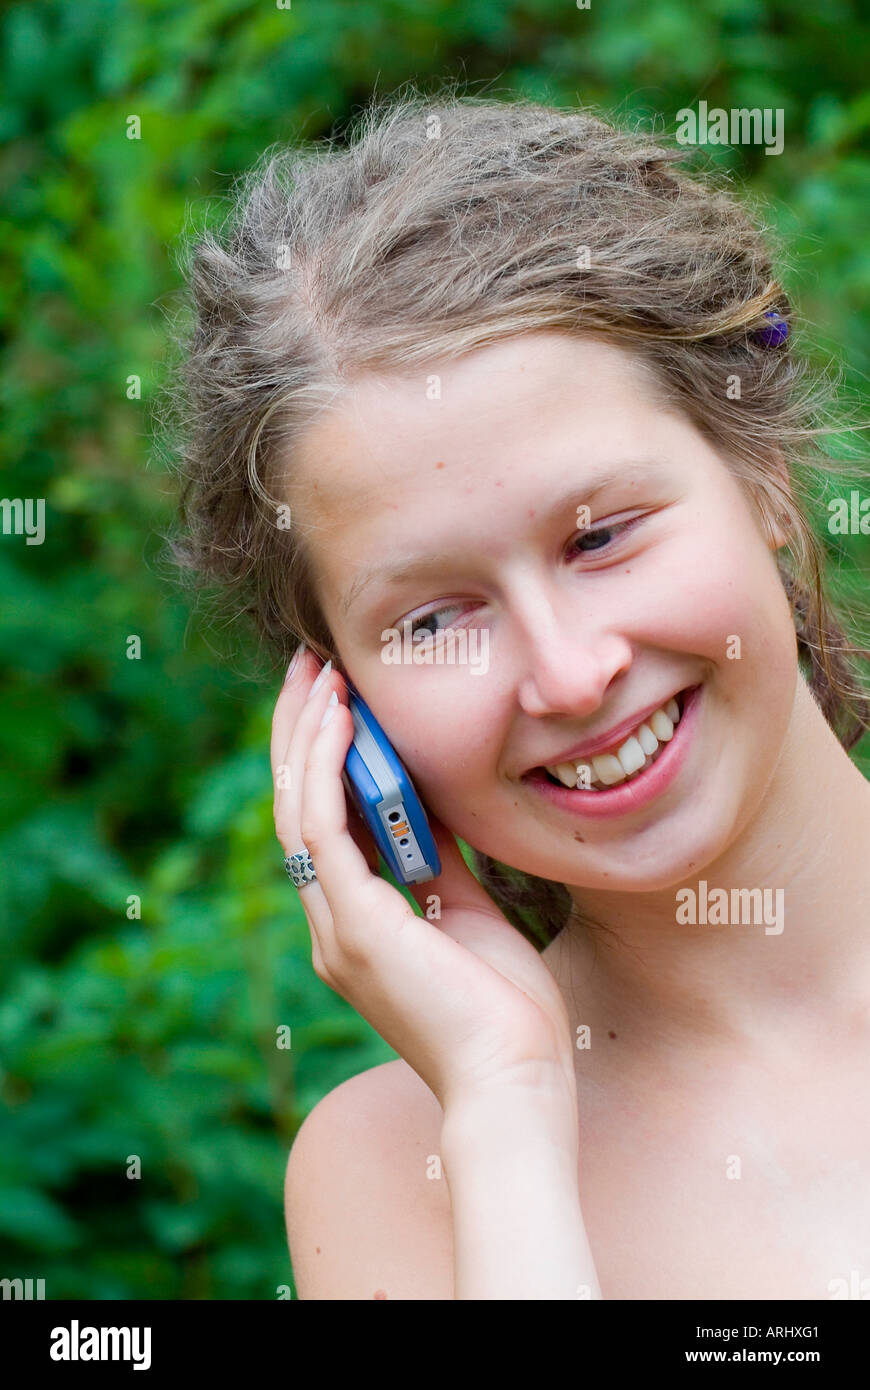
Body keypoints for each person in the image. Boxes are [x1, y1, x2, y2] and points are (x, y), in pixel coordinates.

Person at [166, 87, 870, 1299]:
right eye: (434, 619)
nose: (569, 673)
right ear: (344, 707)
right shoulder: (390, 1172)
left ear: (759, 472)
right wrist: (505, 1116)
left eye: (600, 536)